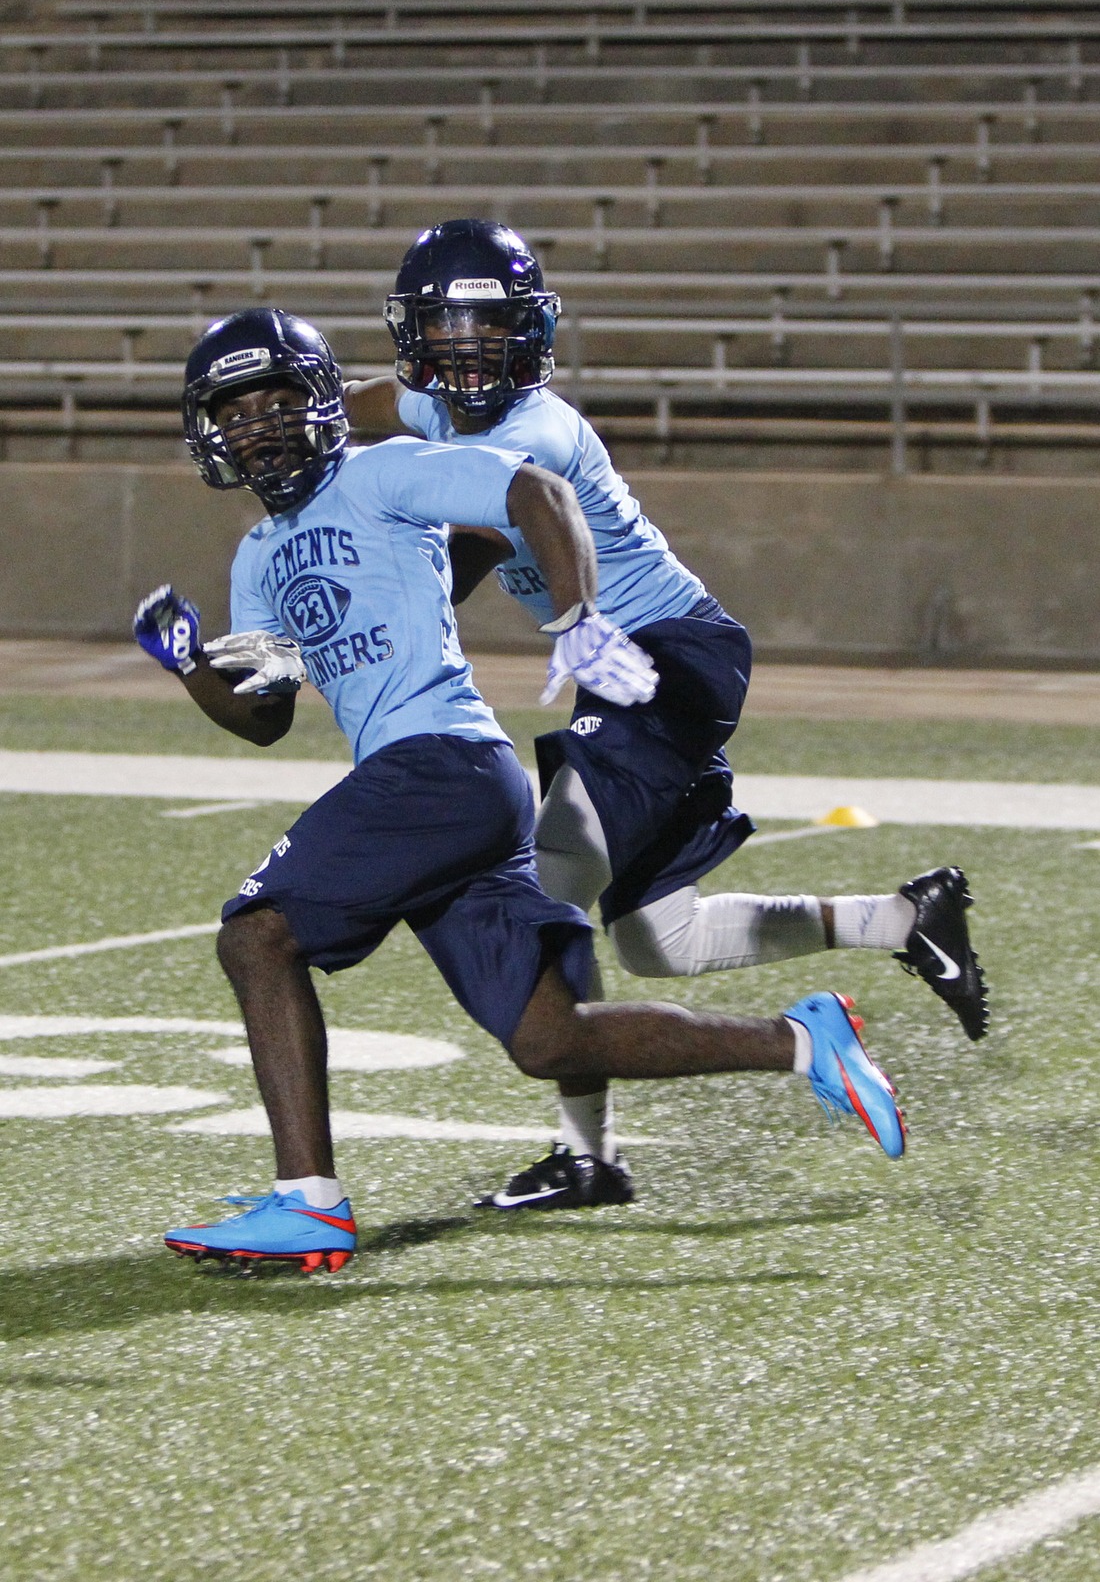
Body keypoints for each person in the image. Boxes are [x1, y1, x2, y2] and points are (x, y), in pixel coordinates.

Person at [133, 306, 908, 1274]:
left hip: (439, 766)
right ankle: (800, 1041)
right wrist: (188, 666)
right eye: (233, 412)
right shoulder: (257, 558)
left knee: (257, 934)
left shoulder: (382, 474)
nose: (256, 426)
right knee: (549, 1039)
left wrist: (577, 619)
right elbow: (265, 716)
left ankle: (308, 1203)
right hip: (444, 791)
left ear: (321, 403)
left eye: (275, 401)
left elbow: (535, 490)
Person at [340, 218, 988, 1213]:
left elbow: (459, 531)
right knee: (656, 937)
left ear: (530, 332)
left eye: (488, 328)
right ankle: (900, 916)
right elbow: (350, 409)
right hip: (637, 669)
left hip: (663, 654)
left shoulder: (536, 431)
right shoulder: (429, 404)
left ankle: (586, 1157)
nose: (467, 351)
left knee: (548, 878)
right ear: (416, 331)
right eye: (448, 329)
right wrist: (294, 424)